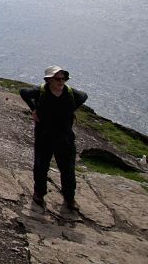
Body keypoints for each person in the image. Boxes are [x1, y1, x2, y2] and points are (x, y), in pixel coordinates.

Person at [20, 66, 88, 210]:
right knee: (41, 166)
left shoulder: (69, 92)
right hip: (44, 136)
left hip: (65, 137)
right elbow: (23, 92)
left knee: (68, 170)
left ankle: (69, 198)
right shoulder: (41, 91)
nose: (61, 81)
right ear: (49, 80)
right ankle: (39, 194)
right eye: (58, 78)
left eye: (64, 78)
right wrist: (34, 109)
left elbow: (83, 96)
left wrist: (71, 109)